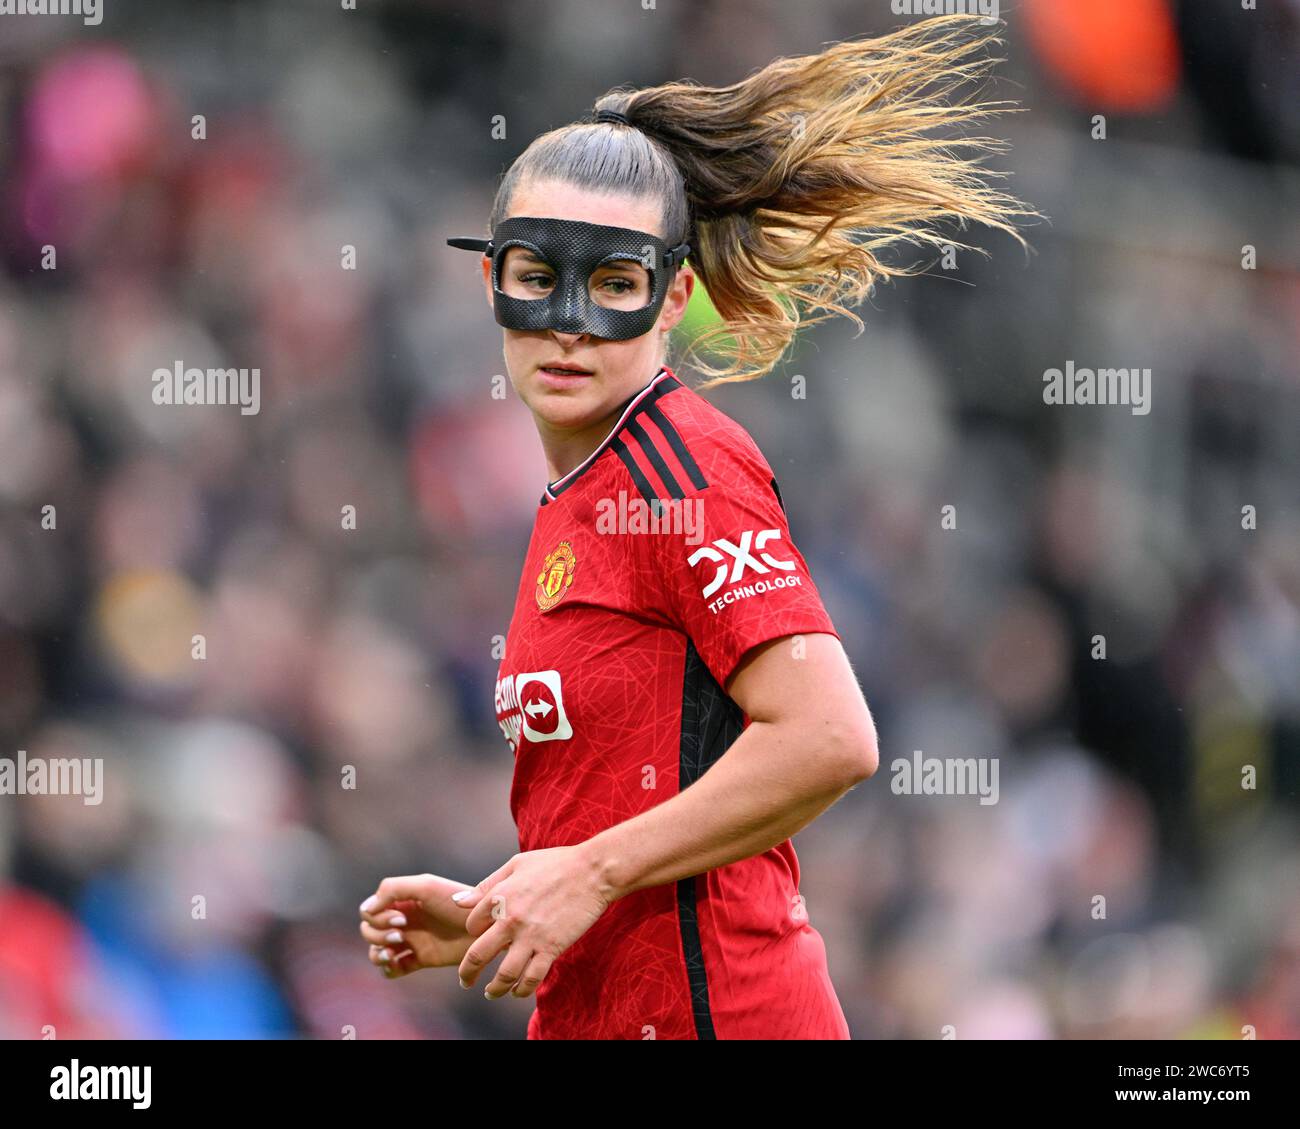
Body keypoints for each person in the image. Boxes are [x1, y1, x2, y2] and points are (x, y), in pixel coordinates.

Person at [359, 13, 1037, 1039]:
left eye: (615, 285)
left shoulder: (681, 469)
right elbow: (633, 800)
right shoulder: (573, 494)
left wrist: (586, 872)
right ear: (491, 279)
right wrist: (502, 910)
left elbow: (829, 735)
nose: (570, 322)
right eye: (538, 276)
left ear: (674, 296)